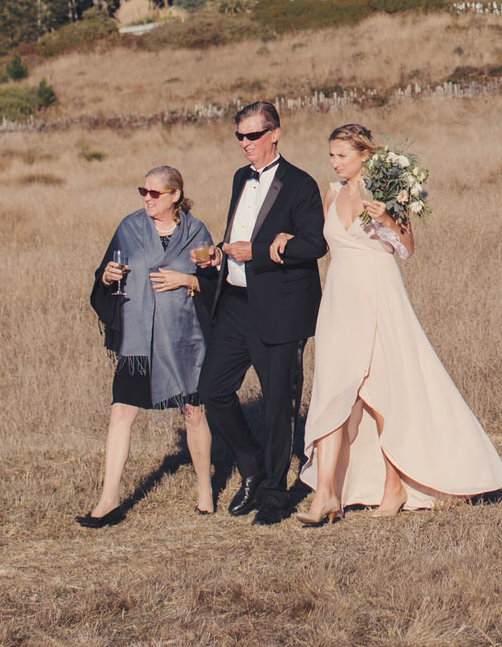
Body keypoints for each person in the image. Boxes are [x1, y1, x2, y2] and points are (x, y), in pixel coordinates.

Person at [298, 124, 502, 525]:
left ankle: (393, 486)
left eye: (342, 155)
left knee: (382, 390)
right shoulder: (331, 193)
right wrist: (283, 239)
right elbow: (322, 246)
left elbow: (407, 249)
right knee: (331, 390)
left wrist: (387, 219)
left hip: (379, 294)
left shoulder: (387, 191)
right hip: (339, 300)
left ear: (365, 155)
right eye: (331, 155)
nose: (334, 163)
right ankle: (325, 494)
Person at [192, 101, 328, 525]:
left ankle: (275, 495)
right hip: (234, 303)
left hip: (280, 308)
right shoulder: (240, 178)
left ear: (275, 134)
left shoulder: (300, 184)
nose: (245, 143)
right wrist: (220, 255)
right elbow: (239, 233)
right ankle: (251, 467)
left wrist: (260, 253)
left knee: (278, 404)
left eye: (252, 135)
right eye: (240, 136)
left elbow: (315, 244)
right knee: (212, 390)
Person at [80, 166, 215, 527]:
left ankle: (205, 494)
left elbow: (213, 282)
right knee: (121, 412)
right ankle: (108, 501)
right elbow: (105, 273)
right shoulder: (129, 227)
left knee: (193, 413)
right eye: (143, 191)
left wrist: (185, 279)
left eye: (155, 193)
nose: (147, 199)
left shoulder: (197, 232)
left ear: (175, 196)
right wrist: (107, 277)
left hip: (184, 341)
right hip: (138, 341)